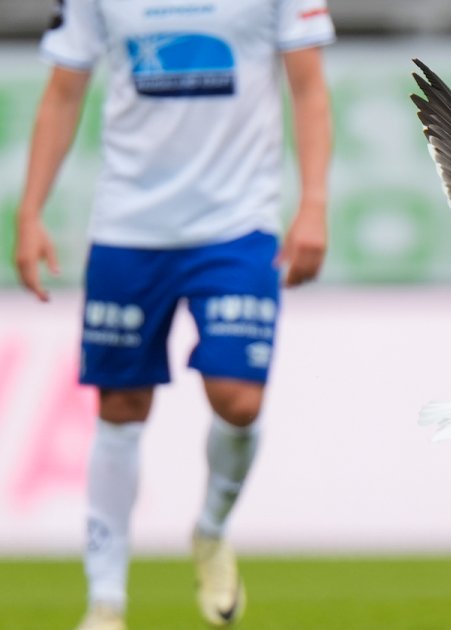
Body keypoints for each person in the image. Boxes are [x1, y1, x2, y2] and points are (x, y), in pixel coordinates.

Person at [12, 1, 334, 628]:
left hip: (237, 225)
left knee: (238, 399)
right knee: (119, 408)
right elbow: (62, 90)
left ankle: (211, 529)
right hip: (129, 225)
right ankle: (105, 602)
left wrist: (314, 202)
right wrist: (30, 213)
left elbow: (308, 85)